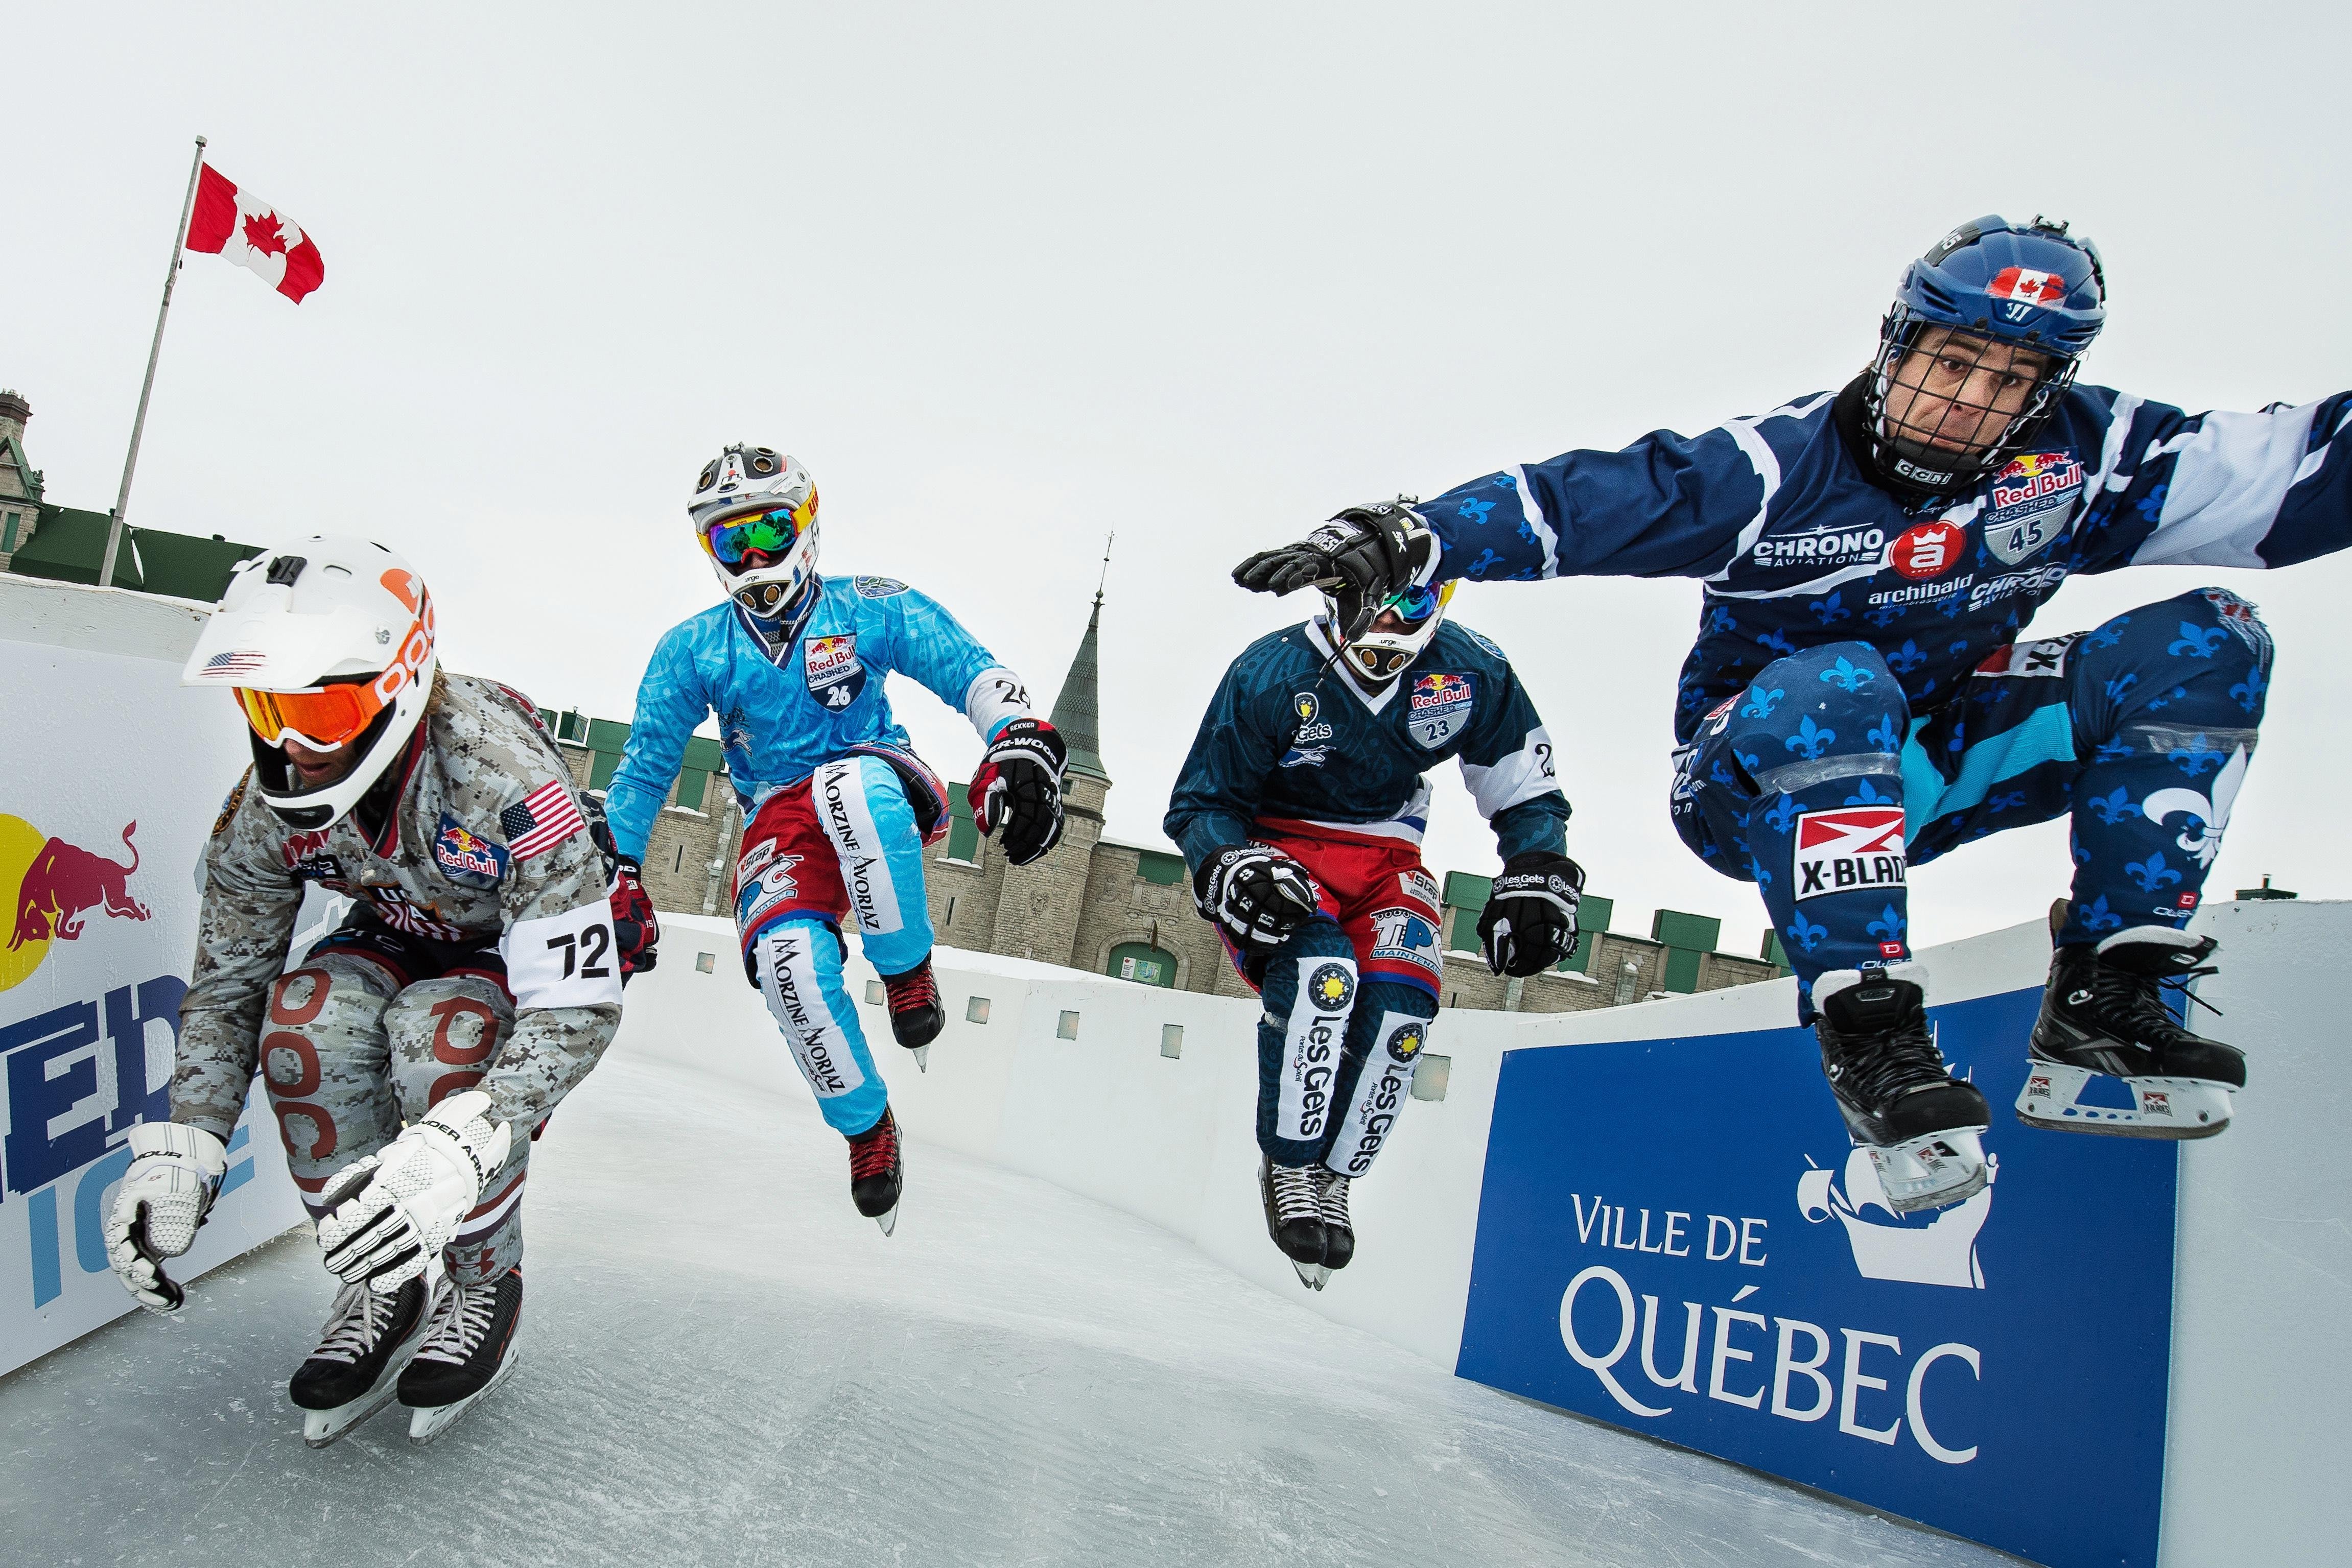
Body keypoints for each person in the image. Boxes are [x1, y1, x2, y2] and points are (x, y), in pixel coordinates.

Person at [1233, 215, 2352, 1213]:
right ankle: (1870, 1030)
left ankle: (2111, 986)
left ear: (2047, 389)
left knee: (2210, 633)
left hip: (1946, 757)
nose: (1967, 402)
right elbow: (1593, 497)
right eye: (1949, 363)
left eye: (2008, 381)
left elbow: (2293, 473)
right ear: (1896, 344)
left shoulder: (2087, 459)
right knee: (1843, 675)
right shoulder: (1777, 468)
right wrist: (1406, 532)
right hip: (1754, 777)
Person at [104, 536, 638, 1447]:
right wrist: (188, 1141)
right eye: (269, 706)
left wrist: (468, 1139)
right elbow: (231, 982)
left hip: (508, 945)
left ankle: (484, 1282)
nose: (292, 747)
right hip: (391, 923)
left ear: (401, 688)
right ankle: (382, 1280)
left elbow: (578, 1003)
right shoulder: (264, 806)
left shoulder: (505, 780)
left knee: (447, 1043)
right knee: (303, 1031)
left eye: (328, 710)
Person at [603, 444, 1066, 1233]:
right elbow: (647, 765)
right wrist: (618, 868)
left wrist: (1016, 734)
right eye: (729, 542)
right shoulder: (693, 648)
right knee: (787, 968)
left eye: (769, 531)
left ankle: (905, 969)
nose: (753, 557)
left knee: (845, 787)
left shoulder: (866, 605)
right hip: (778, 818)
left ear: (808, 526)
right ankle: (866, 1126)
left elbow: (963, 664)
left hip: (875, 773)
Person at [1167, 554, 1578, 1288]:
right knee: (1323, 977)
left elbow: (1524, 783)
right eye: (1363, 605)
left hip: (1388, 853)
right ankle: (1291, 1159)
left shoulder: (1472, 670)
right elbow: (1201, 801)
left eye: (1406, 608)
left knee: (1403, 1008)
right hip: (1279, 848)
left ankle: (1337, 1172)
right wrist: (1224, 861)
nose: (1384, 628)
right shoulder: (1270, 671)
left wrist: (1538, 864)